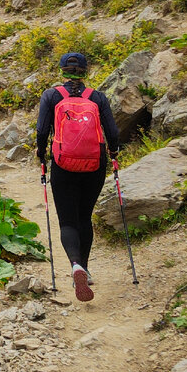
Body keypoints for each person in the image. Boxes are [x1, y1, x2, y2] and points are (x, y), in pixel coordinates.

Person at [35, 51, 121, 302]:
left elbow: (42, 131)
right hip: (95, 163)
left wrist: (41, 154)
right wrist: (114, 152)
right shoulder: (97, 97)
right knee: (85, 217)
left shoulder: (51, 95)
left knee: (68, 221)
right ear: (85, 72)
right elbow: (112, 132)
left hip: (63, 164)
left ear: (62, 71)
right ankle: (85, 266)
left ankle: (75, 266)